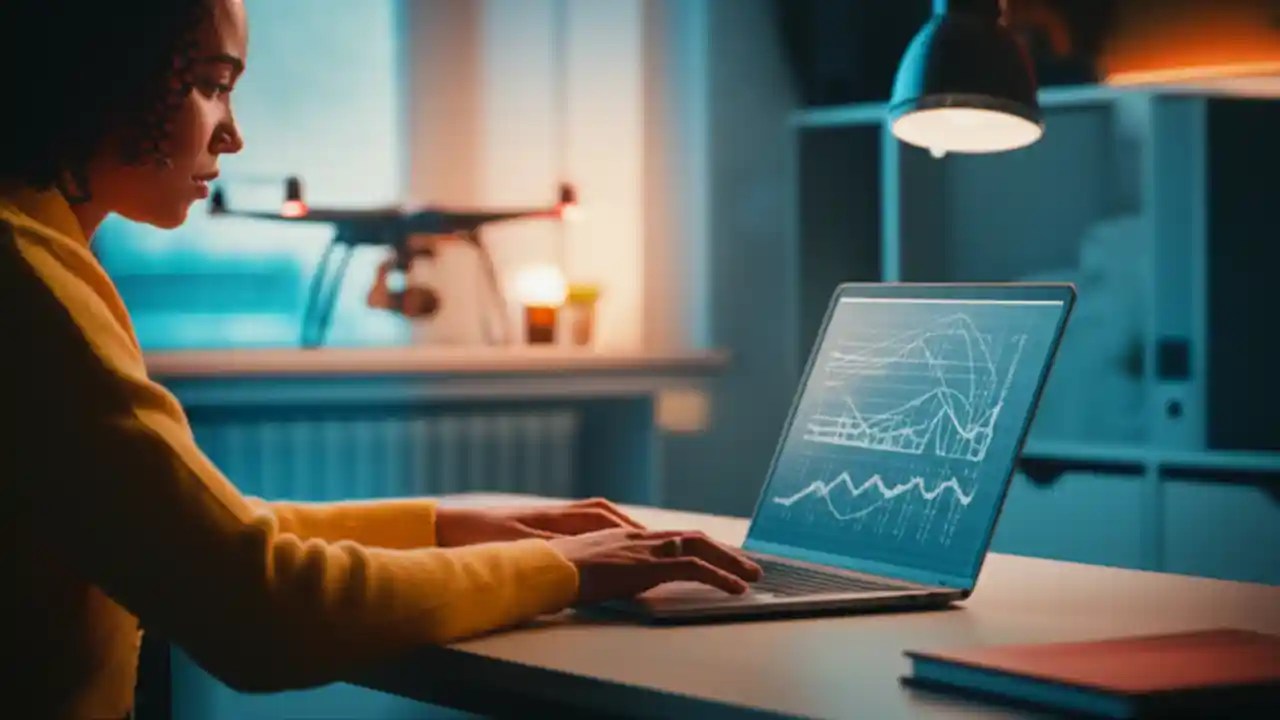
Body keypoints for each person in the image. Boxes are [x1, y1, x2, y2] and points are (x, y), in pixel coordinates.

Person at [0, 1, 761, 717]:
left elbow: (194, 536)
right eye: (208, 84)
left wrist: (447, 527)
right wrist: (569, 568)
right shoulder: (27, 286)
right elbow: (260, 606)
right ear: (104, 70)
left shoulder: (39, 257)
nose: (231, 135)